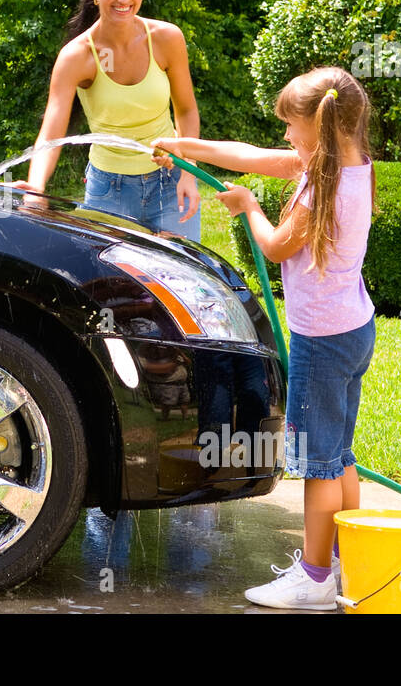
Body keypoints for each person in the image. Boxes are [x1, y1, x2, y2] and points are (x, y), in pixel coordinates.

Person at [152, 66, 376, 610]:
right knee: (339, 455)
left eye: (290, 128)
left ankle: (316, 576)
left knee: (318, 463)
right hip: (353, 329)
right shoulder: (351, 165)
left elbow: (275, 247)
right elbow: (253, 154)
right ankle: (347, 559)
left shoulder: (320, 190)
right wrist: (185, 146)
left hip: (321, 341)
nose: (285, 139)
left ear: (318, 129)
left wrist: (249, 207)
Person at [14, 0, 201, 241]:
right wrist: (36, 187)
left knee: (181, 281)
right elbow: (52, 130)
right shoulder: (77, 56)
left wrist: (189, 171)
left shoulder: (166, 38)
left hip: (170, 181)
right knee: (111, 284)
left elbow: (187, 111)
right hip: (108, 191)